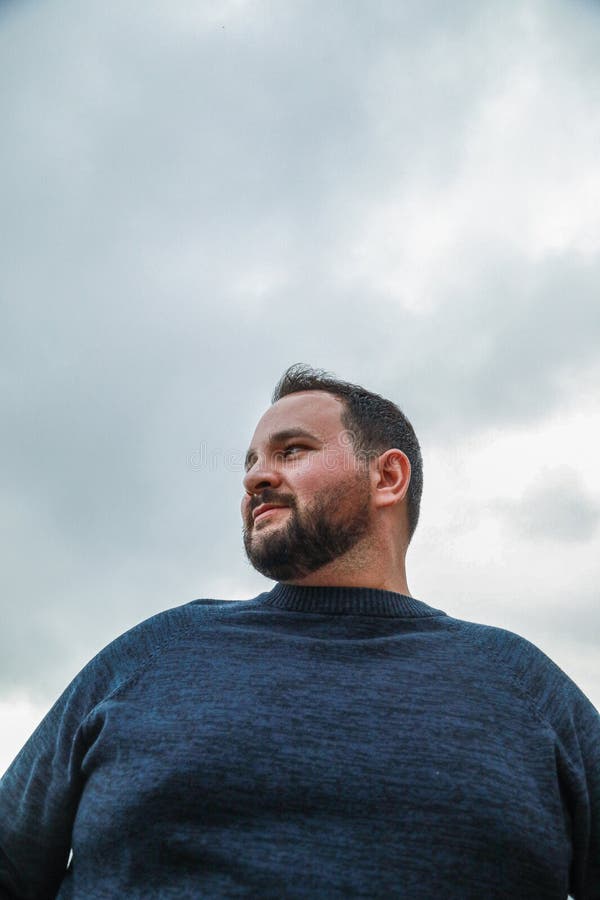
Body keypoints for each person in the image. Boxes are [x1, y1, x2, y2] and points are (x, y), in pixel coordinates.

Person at [1, 363, 599, 899]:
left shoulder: (521, 684)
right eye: (252, 463)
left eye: (291, 451)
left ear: (387, 477)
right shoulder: (153, 652)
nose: (256, 478)